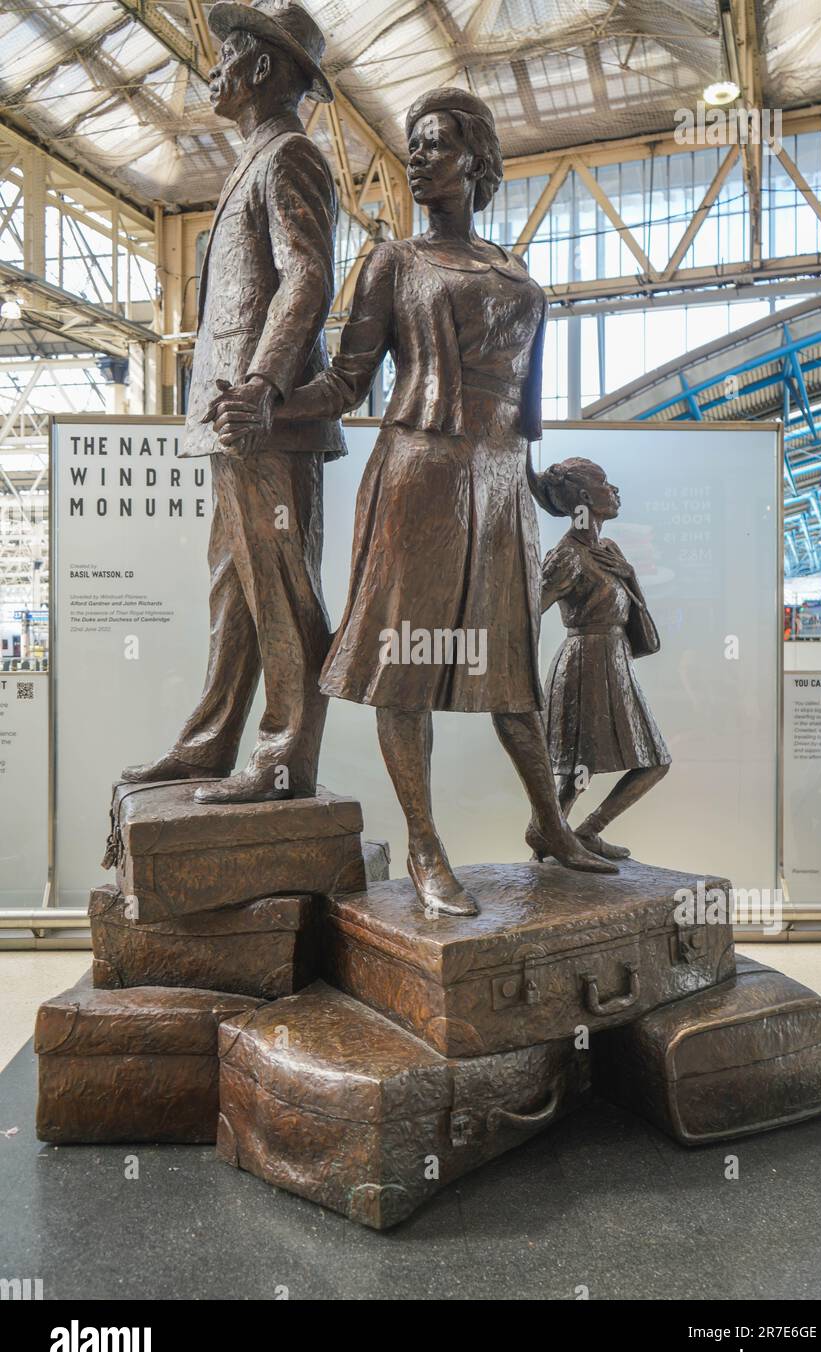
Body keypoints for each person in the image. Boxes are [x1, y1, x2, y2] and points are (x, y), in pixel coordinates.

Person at [212, 86, 616, 914]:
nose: (418, 157)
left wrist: (540, 483)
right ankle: (427, 847)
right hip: (416, 479)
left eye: (435, 144)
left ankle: (550, 825)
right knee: (403, 667)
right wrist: (268, 404)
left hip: (500, 483)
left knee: (508, 670)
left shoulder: (516, 271)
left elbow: (526, 405)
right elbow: (347, 382)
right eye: (414, 145)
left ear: (476, 159)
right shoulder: (391, 262)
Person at [122, 2, 344, 804]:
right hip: (237, 422)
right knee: (237, 588)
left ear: (261, 69)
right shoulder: (256, 159)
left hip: (262, 422)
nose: (213, 72)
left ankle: (284, 761)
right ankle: (211, 742)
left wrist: (261, 386)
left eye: (227, 57)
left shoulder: (289, 156)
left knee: (279, 589)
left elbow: (309, 277)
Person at [529, 458, 671, 859]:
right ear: (587, 498)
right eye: (606, 483)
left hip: (614, 661)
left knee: (629, 763)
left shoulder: (607, 549)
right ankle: (553, 834)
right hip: (584, 663)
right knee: (581, 766)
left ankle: (572, 833)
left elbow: (633, 619)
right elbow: (528, 613)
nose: (616, 490)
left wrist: (629, 575)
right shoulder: (568, 555)